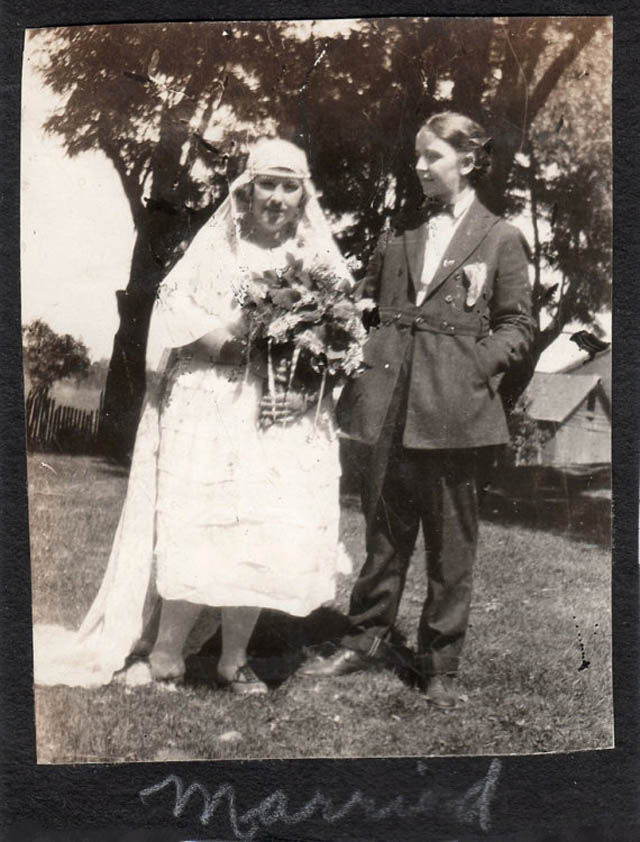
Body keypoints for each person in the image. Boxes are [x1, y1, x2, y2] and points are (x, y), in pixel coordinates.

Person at [33, 138, 353, 694]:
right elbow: (172, 312)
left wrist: (305, 394)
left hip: (280, 415)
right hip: (212, 405)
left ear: (305, 195)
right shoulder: (219, 250)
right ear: (248, 191)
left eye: (289, 186)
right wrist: (234, 347)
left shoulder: (319, 263)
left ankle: (233, 657)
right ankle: (166, 652)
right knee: (200, 523)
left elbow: (343, 344)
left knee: (260, 529)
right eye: (268, 185)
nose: (277, 198)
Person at [301, 111, 535, 708]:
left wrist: (474, 369)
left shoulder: (501, 236)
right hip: (388, 402)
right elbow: (368, 305)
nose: (421, 167)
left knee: (451, 545)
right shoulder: (399, 229)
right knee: (383, 532)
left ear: (468, 159)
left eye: (432, 156)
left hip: (457, 412)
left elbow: (516, 325)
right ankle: (363, 639)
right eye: (418, 156)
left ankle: (439, 664)